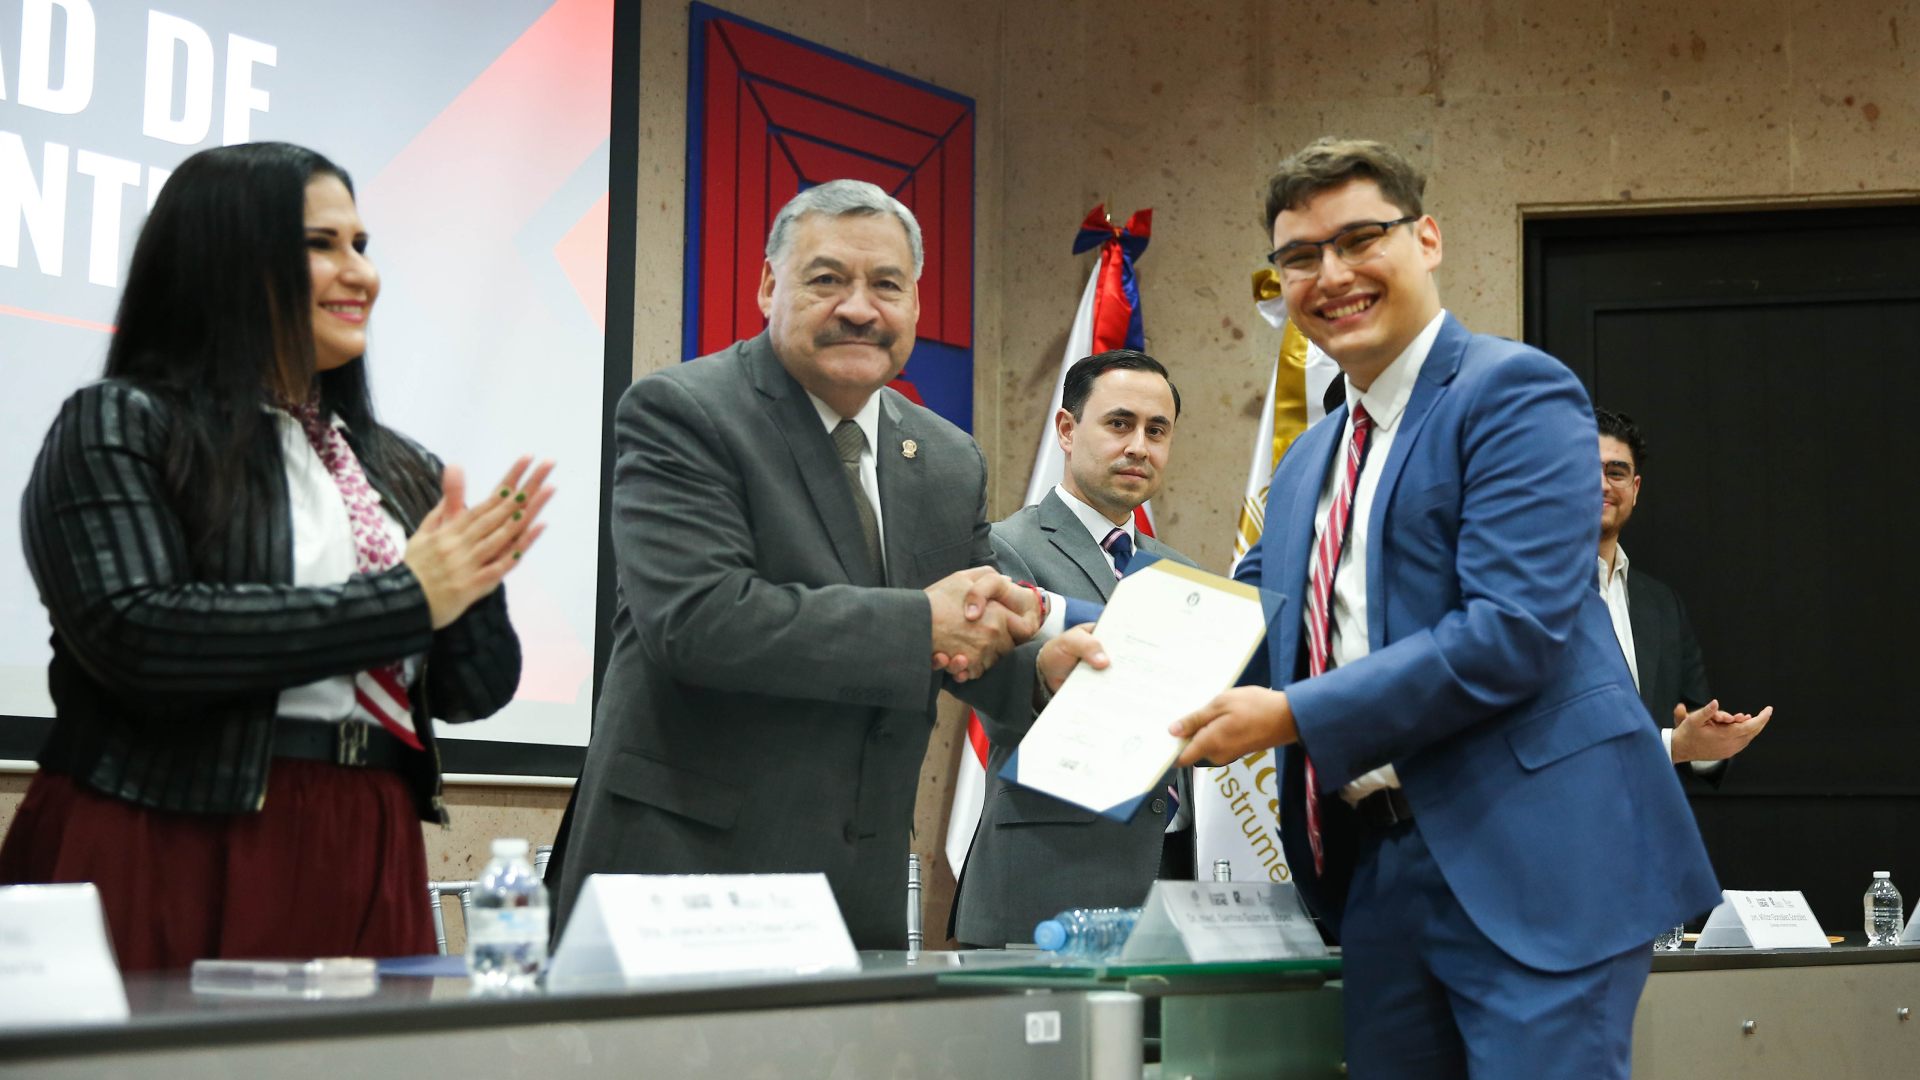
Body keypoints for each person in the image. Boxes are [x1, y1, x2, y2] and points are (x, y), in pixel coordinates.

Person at [1164, 138, 1719, 1078]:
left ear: (1426, 239)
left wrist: (1293, 715)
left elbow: (1511, 634)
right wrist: (1059, 630)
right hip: (1377, 871)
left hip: (1535, 864)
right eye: (1300, 257)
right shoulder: (1308, 460)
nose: (1330, 275)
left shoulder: (1515, 393)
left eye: (1358, 240)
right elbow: (1242, 624)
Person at [0, 142, 549, 971]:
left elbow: (474, 693)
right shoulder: (118, 423)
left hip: (370, 833)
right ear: (222, 257)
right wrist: (409, 599)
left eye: (361, 245)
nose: (361, 274)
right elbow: (139, 635)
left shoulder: (401, 464)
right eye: (321, 245)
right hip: (170, 830)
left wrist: (473, 585)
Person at [555, 180, 1043, 950]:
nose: (860, 308)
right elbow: (701, 621)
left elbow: (968, 636)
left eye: (887, 285)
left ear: (916, 304)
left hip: (858, 894)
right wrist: (924, 624)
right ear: (766, 286)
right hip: (687, 882)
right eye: (827, 279)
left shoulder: (949, 459)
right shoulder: (683, 411)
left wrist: (1044, 667)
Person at [953, 349, 1200, 948]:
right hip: (1049, 871)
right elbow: (1005, 696)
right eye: (1119, 424)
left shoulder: (1183, 573)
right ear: (1066, 430)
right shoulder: (1004, 548)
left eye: (1157, 431)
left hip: (1171, 869)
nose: (1139, 447)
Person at [1596, 407, 1771, 786]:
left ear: (1635, 489)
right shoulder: (1531, 594)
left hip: (1649, 816)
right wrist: (1671, 746)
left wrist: (1709, 747)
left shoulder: (1662, 606)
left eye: (1616, 472)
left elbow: (1693, 727)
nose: (1603, 485)